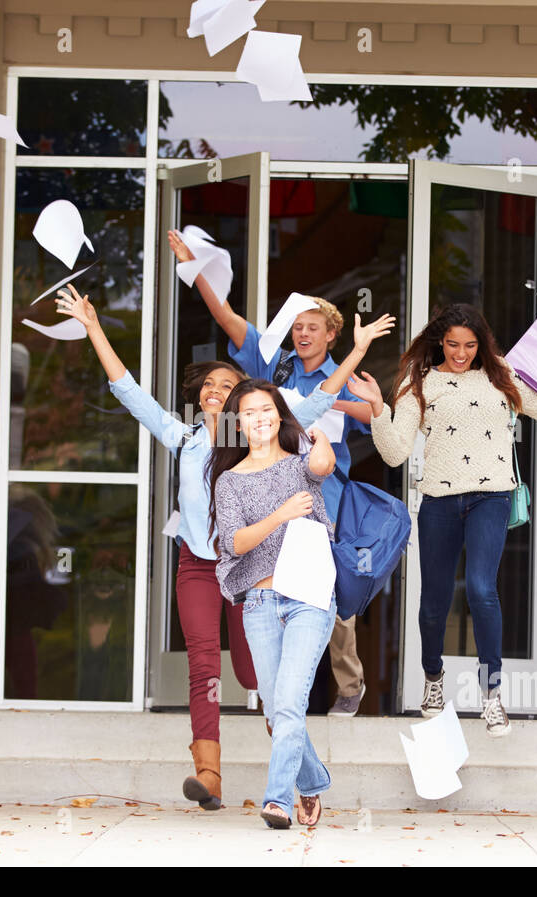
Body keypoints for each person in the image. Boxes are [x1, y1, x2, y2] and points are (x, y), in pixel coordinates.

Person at [54, 284, 340, 809]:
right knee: (204, 662)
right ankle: (208, 772)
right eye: (208, 384)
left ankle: (302, 768)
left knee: (257, 677)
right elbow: (127, 389)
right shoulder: (182, 437)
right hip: (198, 566)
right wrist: (94, 326)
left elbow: (316, 403)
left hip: (254, 570)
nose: (214, 389)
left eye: (226, 384)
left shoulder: (257, 439)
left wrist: (358, 352)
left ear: (242, 400)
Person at [350, 304, 537, 737]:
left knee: (481, 589)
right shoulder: (419, 382)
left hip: (491, 497)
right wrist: (379, 409)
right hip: (439, 501)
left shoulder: (501, 373)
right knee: (435, 602)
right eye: (453, 344)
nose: (461, 354)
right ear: (440, 341)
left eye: (470, 345)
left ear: (483, 343)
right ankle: (434, 679)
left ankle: (492, 695)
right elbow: (396, 452)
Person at [168, 230, 370, 717]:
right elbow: (227, 319)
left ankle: (348, 682)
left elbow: (372, 414)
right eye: (297, 325)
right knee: (267, 586)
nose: (302, 334)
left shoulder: (342, 372)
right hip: (263, 497)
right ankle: (274, 694)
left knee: (326, 588)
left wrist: (328, 398)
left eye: (313, 327)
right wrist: (196, 271)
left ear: (331, 334)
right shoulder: (272, 364)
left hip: (322, 498)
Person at [209, 312, 393, 829]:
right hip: (261, 601)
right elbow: (235, 543)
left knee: (289, 701)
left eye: (268, 409)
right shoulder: (229, 482)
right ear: (237, 422)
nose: (261, 417)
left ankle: (278, 800)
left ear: (278, 414)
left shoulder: (298, 459)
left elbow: (323, 465)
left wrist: (353, 357)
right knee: (277, 710)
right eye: (250, 412)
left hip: (309, 595)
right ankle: (313, 780)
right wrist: (280, 515)